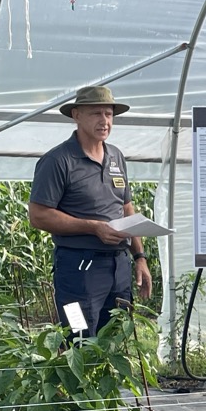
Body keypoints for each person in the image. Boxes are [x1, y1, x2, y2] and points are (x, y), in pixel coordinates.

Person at [29, 85, 153, 339]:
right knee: (79, 336)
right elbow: (38, 215)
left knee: (117, 337)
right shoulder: (58, 161)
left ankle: (112, 380)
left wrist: (139, 256)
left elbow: (125, 206)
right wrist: (93, 227)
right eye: (96, 113)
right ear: (76, 116)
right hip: (79, 268)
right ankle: (79, 379)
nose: (104, 121)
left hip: (118, 267)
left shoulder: (116, 157)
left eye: (109, 114)